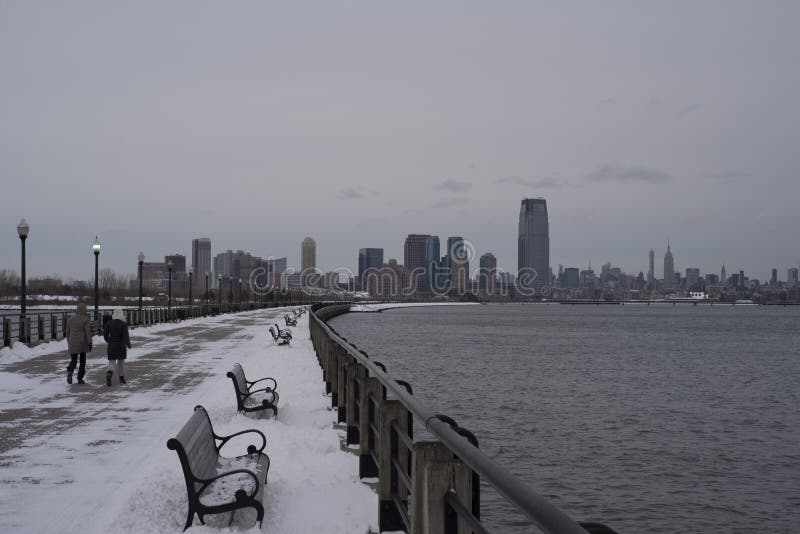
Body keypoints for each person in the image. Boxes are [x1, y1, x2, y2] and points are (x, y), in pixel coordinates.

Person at [65, 302, 92, 384]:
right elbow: (87, 332)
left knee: (73, 359)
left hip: (72, 341)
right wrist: (90, 342)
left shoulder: (70, 319)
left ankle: (70, 371)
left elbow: (67, 332)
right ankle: (80, 378)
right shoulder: (85, 319)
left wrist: (69, 341)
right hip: (82, 342)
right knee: (82, 360)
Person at [103, 308, 131, 386]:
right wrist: (128, 344)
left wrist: (108, 341)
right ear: (121, 314)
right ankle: (121, 379)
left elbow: (105, 334)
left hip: (111, 346)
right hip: (121, 346)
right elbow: (126, 336)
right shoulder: (123, 324)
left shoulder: (109, 323)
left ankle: (109, 373)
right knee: (121, 363)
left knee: (111, 362)